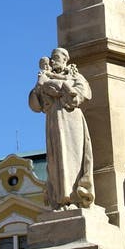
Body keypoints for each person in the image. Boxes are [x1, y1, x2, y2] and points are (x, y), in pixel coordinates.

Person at [29, 48, 94, 209]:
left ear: (65, 59)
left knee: (74, 157)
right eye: (52, 58)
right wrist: (39, 84)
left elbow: (82, 95)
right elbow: (35, 105)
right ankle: (60, 199)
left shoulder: (75, 76)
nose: (52, 61)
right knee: (55, 159)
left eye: (56, 57)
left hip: (72, 120)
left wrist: (61, 85)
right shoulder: (44, 78)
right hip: (53, 120)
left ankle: (75, 197)